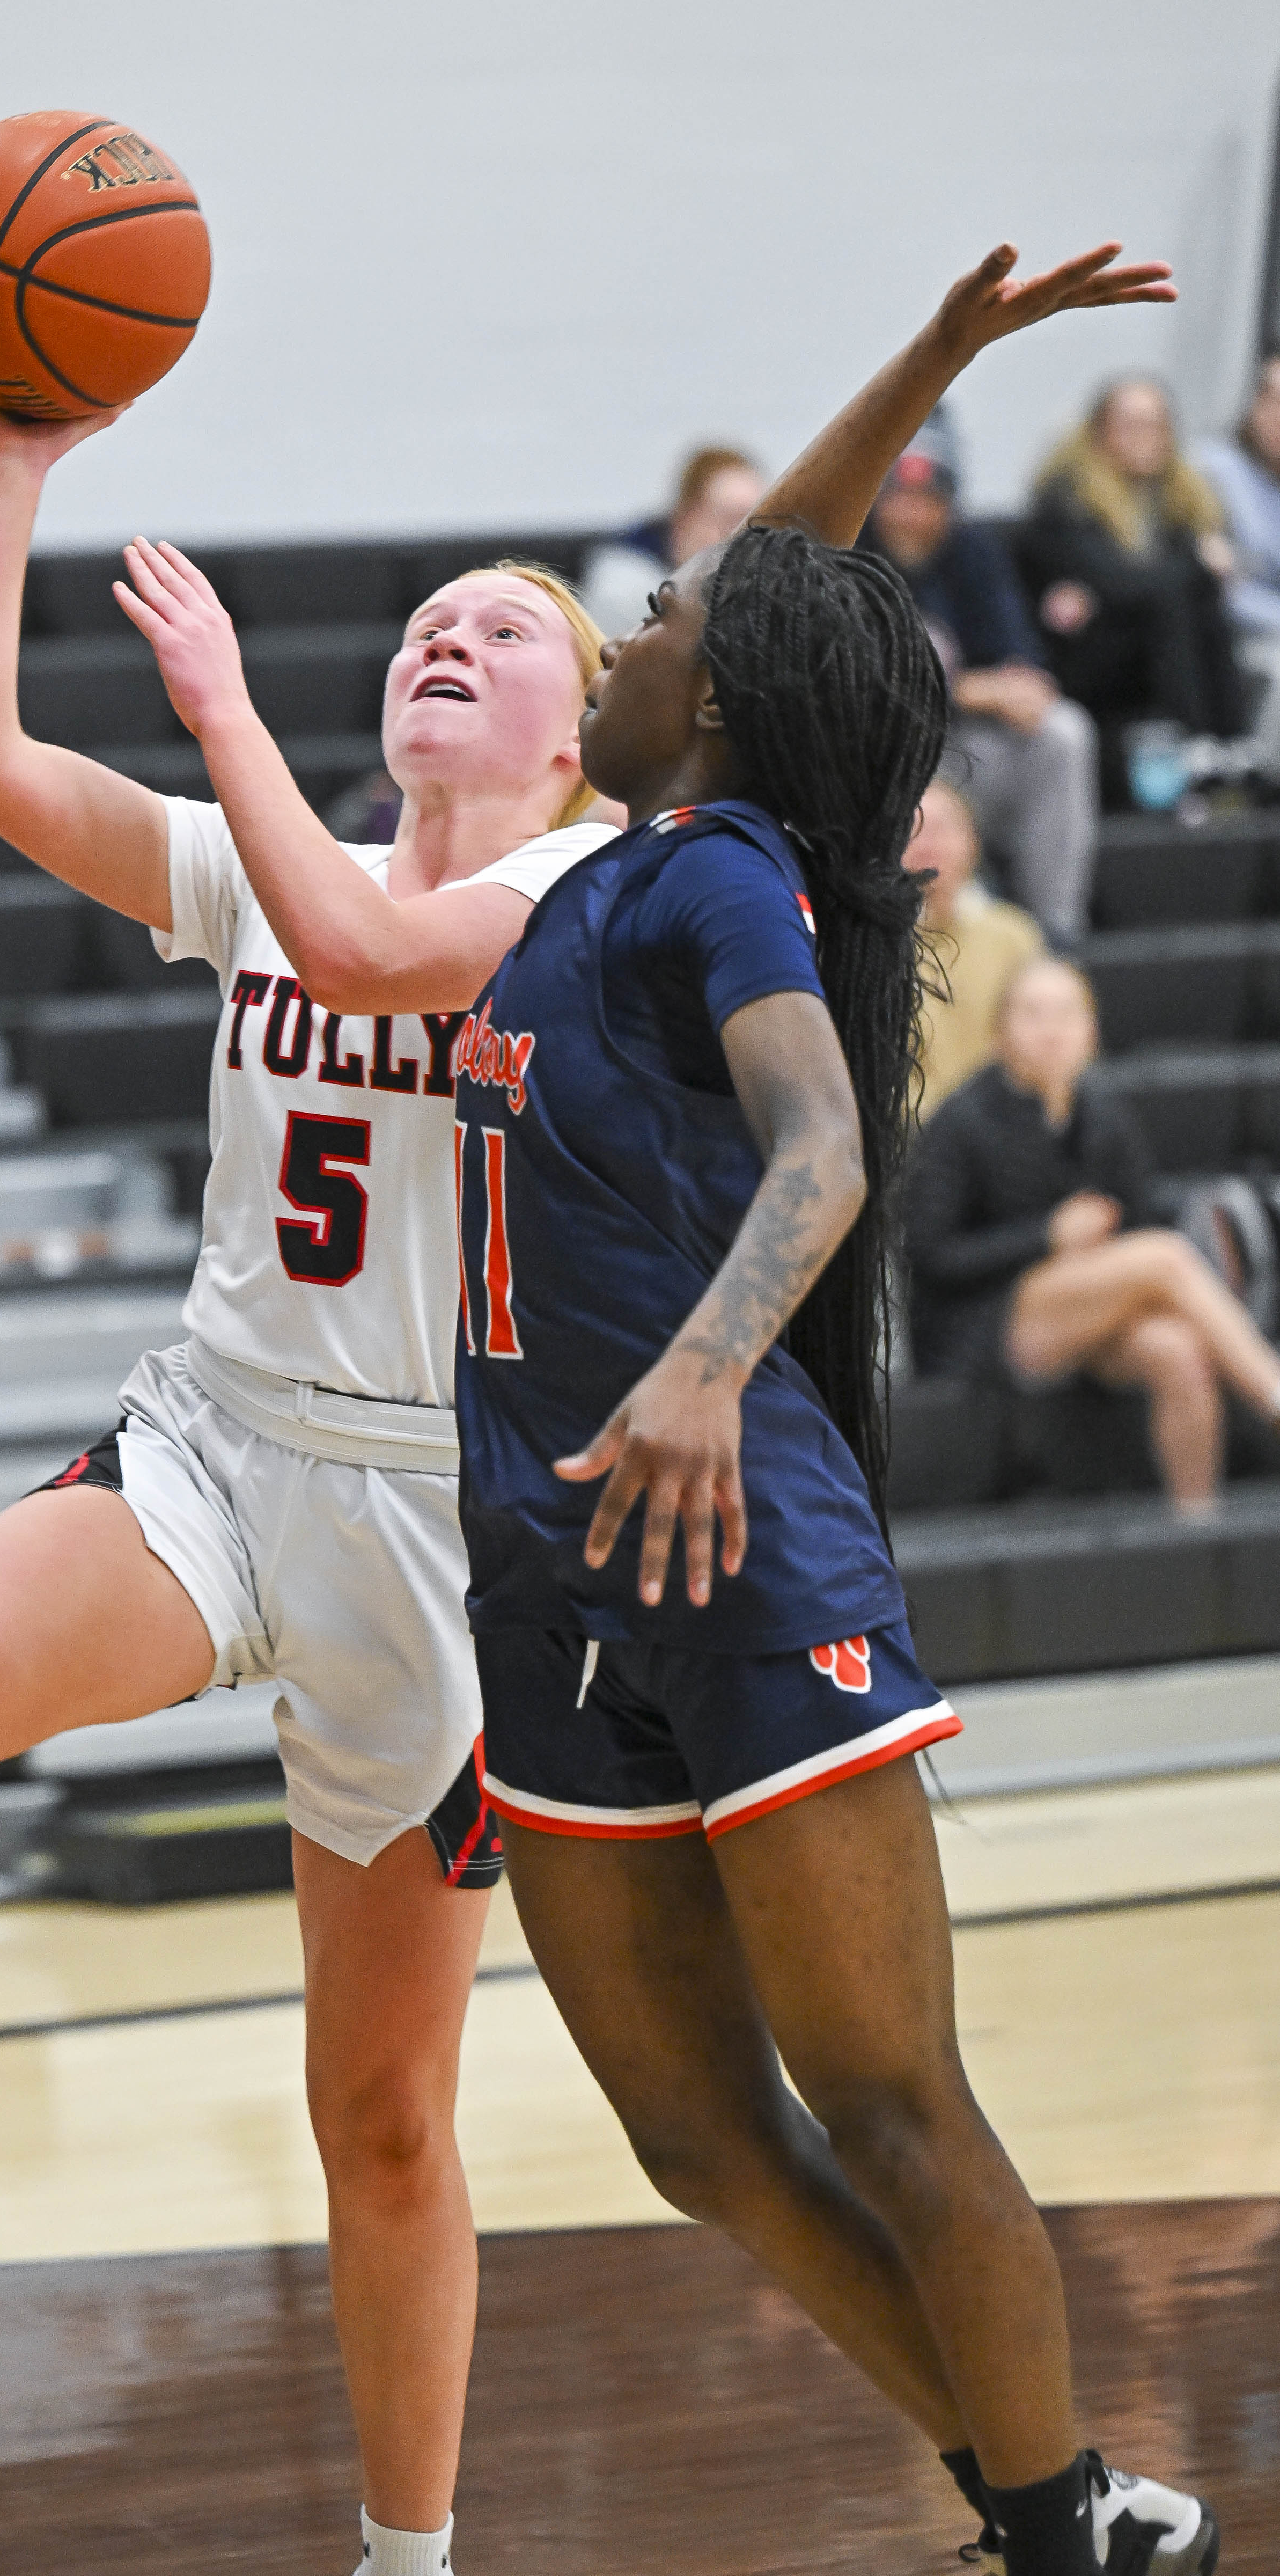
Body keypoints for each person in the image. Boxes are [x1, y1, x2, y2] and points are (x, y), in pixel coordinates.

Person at [0, 235, 1181, 2576]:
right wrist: (5, 468)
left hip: (446, 1536)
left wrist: (219, 711)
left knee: (384, 2114)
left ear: (582, 728)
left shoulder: (602, 882)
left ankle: (423, 2551)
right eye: (419, 619)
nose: (435, 638)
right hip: (218, 1440)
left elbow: (711, 623)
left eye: (497, 627)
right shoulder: (264, 880)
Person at [449, 529, 1218, 2575]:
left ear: (708, 702)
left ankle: (1056, 2525)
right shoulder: (596, 878)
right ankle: (1057, 2505)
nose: (624, 639)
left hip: (737, 1555)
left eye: (665, 619)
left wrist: (710, 1366)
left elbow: (824, 1147)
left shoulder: (715, 868)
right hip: (548, 1583)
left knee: (888, 2099)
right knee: (698, 2137)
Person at [904, 954, 1280, 1512]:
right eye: (1032, 1014)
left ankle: (1198, 1533)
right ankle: (1273, 1395)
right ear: (999, 1032)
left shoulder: (1107, 1120)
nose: (1051, 1030)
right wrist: (1047, 1238)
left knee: (1178, 1350)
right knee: (1166, 1257)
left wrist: (1098, 1265)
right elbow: (931, 1258)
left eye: (1066, 1014)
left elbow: (1137, 1223)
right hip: (977, 1325)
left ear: (1092, 1032)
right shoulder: (961, 1123)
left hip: (1088, 1314)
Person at [860, 411, 1098, 940]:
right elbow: (874, 688)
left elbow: (1018, 654)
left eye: (929, 501)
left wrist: (1024, 685)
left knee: (1064, 732)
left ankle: (1056, 931)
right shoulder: (850, 558)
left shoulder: (973, 550)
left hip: (966, 750)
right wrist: (973, 688)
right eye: (900, 498)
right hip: (882, 766)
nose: (913, 514)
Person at [1018, 378, 1245, 801]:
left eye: (1156, 425)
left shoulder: (1180, 500)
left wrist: (1199, 571)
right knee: (1173, 597)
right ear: (1099, 430)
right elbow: (1118, 585)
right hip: (1081, 663)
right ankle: (1192, 739)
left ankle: (1231, 742)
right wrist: (1198, 564)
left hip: (1148, 660)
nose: (1146, 436)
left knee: (1201, 599)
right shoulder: (1066, 500)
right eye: (1132, 424)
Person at [909, 776, 1044, 1119]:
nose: (928, 844)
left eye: (941, 828)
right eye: (912, 829)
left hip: (996, 1135)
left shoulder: (1015, 937)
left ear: (972, 842)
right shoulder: (867, 944)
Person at [580, 443, 768, 642]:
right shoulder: (624, 591)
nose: (749, 541)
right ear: (685, 520)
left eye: (760, 525)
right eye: (732, 522)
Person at [1197, 353, 1280, 766]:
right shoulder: (1215, 470)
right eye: (1277, 404)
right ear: (1256, 407)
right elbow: (1226, 588)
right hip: (1233, 632)